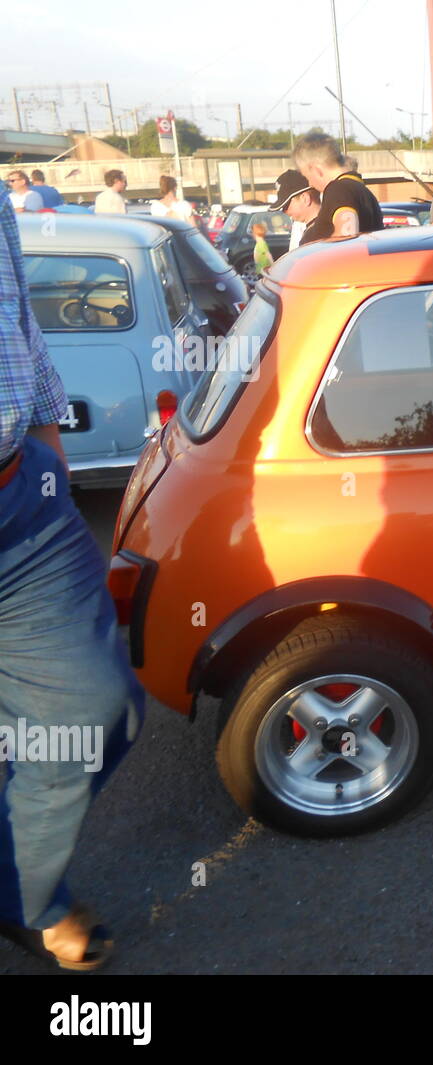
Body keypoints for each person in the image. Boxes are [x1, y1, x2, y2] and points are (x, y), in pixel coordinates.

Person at [0, 196, 142, 971]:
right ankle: (33, 899)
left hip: (22, 493)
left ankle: (18, 886)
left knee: (98, 709)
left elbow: (14, 310)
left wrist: (48, 450)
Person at [292, 132, 383, 243]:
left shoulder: (339, 190)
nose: (310, 184)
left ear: (317, 170)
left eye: (307, 177)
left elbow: (347, 235)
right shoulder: (356, 188)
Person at [268, 169, 320, 251]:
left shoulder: (316, 235)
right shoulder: (328, 226)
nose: (284, 211)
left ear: (305, 199)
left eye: (286, 205)